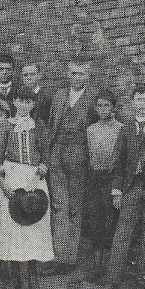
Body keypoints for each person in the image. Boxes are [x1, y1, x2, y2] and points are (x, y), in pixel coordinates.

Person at [102, 84, 145, 289]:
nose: (142, 104)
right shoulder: (127, 128)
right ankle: (112, 281)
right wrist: (116, 190)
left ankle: (142, 283)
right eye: (138, 100)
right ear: (133, 103)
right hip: (130, 189)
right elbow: (118, 161)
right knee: (122, 234)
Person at [0, 90, 53, 289]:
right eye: (20, 100)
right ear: (14, 101)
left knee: (34, 228)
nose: (23, 105)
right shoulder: (7, 126)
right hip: (12, 176)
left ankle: (33, 279)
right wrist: (3, 183)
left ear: (33, 104)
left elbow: (46, 156)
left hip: (34, 177)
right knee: (13, 229)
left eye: (28, 102)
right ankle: (15, 278)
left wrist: (36, 179)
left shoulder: (39, 126)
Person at [45, 56, 98, 277]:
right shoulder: (59, 95)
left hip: (79, 155)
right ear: (68, 73)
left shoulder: (94, 98)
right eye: (74, 73)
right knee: (59, 206)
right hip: (57, 153)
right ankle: (58, 256)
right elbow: (51, 125)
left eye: (82, 73)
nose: (78, 78)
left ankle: (70, 258)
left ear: (88, 75)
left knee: (75, 207)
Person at [82, 89, 123, 286]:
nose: (103, 109)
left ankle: (109, 269)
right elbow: (88, 157)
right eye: (99, 105)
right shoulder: (91, 130)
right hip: (95, 179)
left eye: (107, 105)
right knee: (95, 223)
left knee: (110, 223)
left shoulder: (121, 129)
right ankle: (97, 268)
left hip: (112, 178)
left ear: (113, 107)